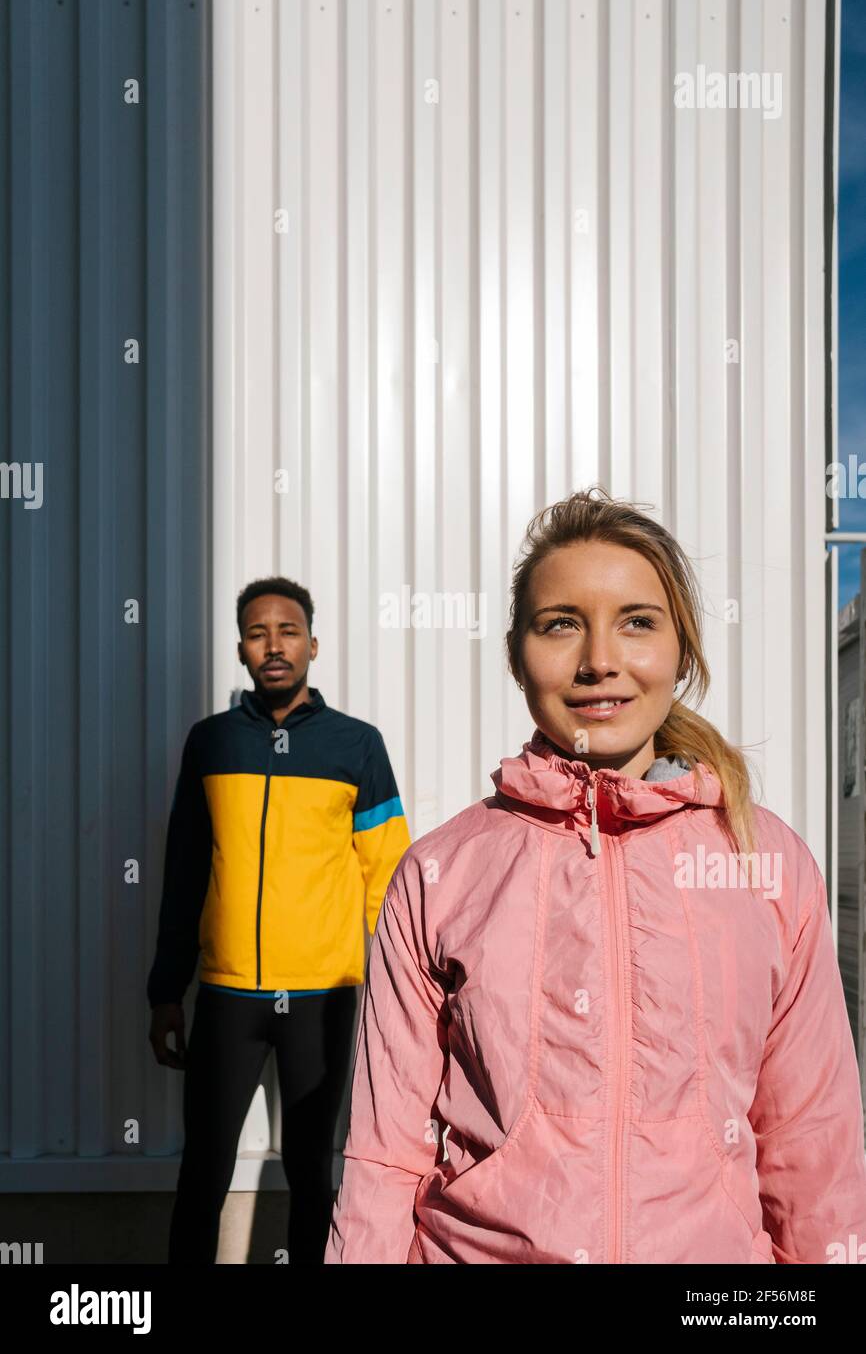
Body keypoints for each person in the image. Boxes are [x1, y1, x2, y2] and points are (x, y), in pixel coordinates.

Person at [325, 486, 866, 1265]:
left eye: (637, 622)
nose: (600, 660)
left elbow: (812, 1141)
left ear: (682, 650)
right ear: (517, 655)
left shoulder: (764, 863)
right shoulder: (440, 874)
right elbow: (382, 1155)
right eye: (561, 625)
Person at [147, 577, 411, 1264]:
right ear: (241, 649)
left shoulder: (356, 746)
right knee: (202, 1171)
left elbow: (390, 880)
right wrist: (165, 991)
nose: (274, 644)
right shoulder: (211, 744)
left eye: (288, 631)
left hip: (323, 998)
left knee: (311, 1174)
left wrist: (405, 1002)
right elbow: (183, 873)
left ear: (312, 645)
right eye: (259, 632)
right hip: (228, 997)